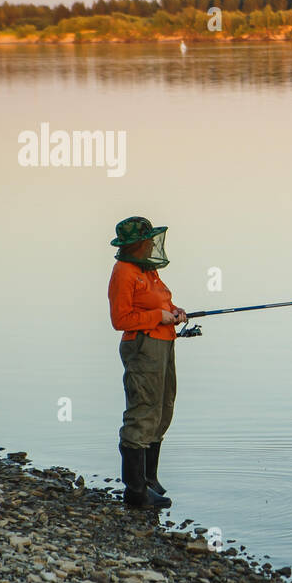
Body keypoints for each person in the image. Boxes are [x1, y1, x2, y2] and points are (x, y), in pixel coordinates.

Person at [107, 216, 187, 510]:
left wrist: (175, 311)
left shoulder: (149, 272)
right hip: (142, 348)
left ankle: (150, 480)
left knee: (163, 408)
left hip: (164, 344)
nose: (152, 244)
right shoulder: (124, 272)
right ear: (135, 245)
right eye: (147, 240)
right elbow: (120, 319)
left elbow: (160, 304)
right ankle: (136, 492)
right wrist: (158, 317)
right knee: (142, 411)